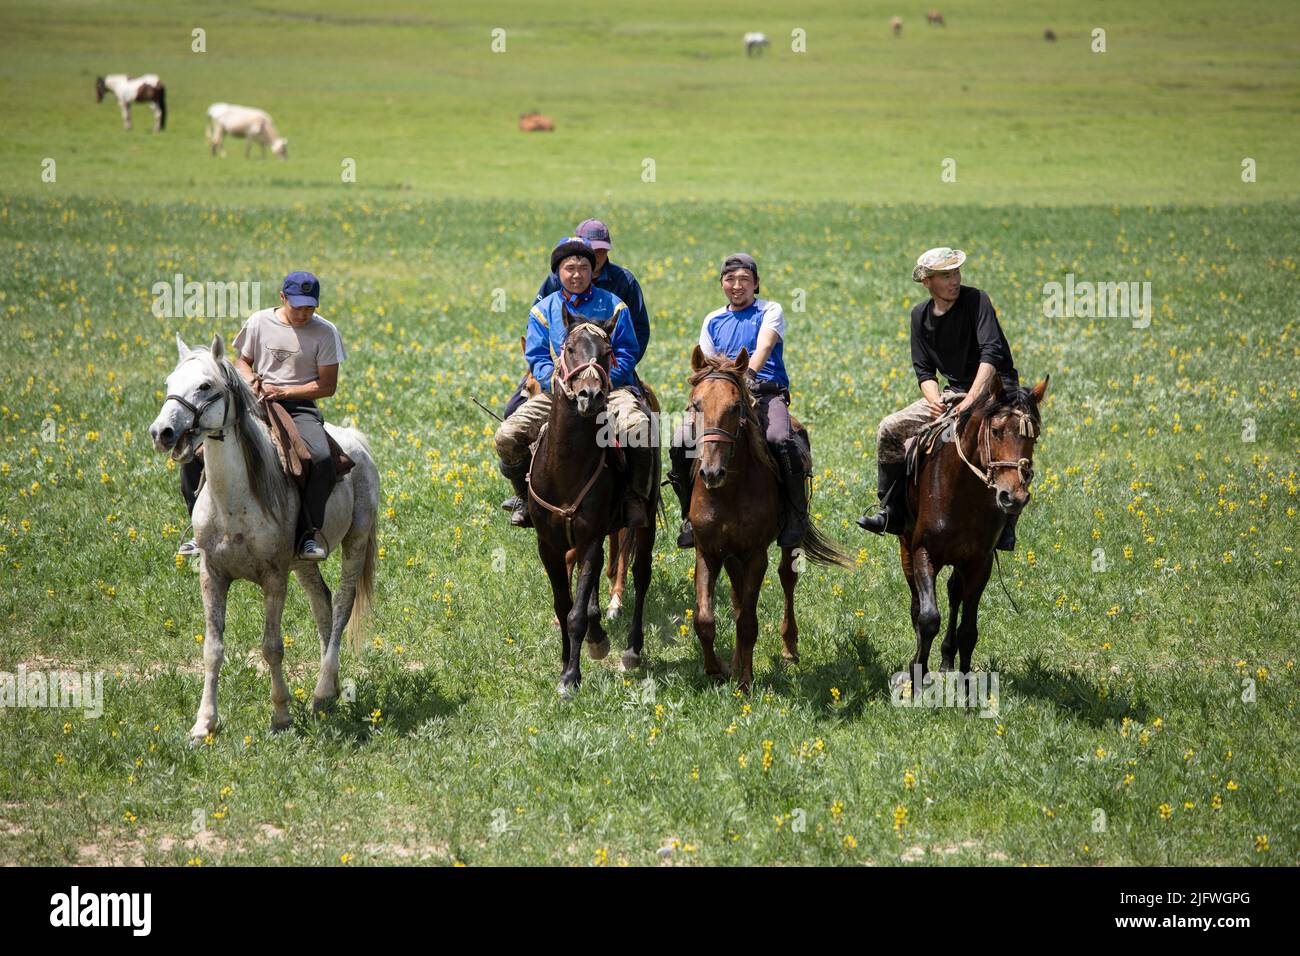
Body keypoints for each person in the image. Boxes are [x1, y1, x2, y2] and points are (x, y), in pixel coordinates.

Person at [857, 247, 1022, 549]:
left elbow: (991, 354)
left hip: (995, 389)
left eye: (956, 273)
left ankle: (1007, 521)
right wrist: (935, 400)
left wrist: (971, 402)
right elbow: (924, 371)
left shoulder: (977, 301)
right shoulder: (919, 316)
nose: (954, 280)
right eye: (946, 276)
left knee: (1007, 439)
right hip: (952, 394)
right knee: (889, 429)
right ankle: (891, 509)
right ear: (927, 281)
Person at [177, 271, 345, 561]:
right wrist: (250, 378)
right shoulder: (259, 322)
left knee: (320, 459)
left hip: (299, 406)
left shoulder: (325, 332)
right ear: (282, 298)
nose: (304, 314)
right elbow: (242, 360)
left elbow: (327, 386)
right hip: (252, 402)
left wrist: (285, 393)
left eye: (310, 308)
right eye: (298, 307)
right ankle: (198, 531)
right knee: (194, 452)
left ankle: (308, 534)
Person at [494, 237, 654, 529]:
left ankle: (633, 497)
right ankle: (524, 498)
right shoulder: (543, 310)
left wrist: (608, 380)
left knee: (640, 429)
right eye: (570, 268)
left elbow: (629, 350)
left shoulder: (615, 306)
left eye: (583, 267)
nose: (577, 274)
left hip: (611, 391)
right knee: (506, 436)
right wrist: (556, 383)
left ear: (593, 271)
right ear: (558, 273)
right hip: (558, 392)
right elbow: (537, 355)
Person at [666, 253, 808, 549]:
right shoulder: (713, 319)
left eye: (744, 279)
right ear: (722, 284)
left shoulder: (770, 310)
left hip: (764, 391)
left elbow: (765, 345)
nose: (737, 285)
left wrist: (748, 375)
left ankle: (796, 515)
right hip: (720, 396)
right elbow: (704, 364)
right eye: (730, 279)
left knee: (781, 438)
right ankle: (689, 515)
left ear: (756, 284)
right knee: (680, 440)